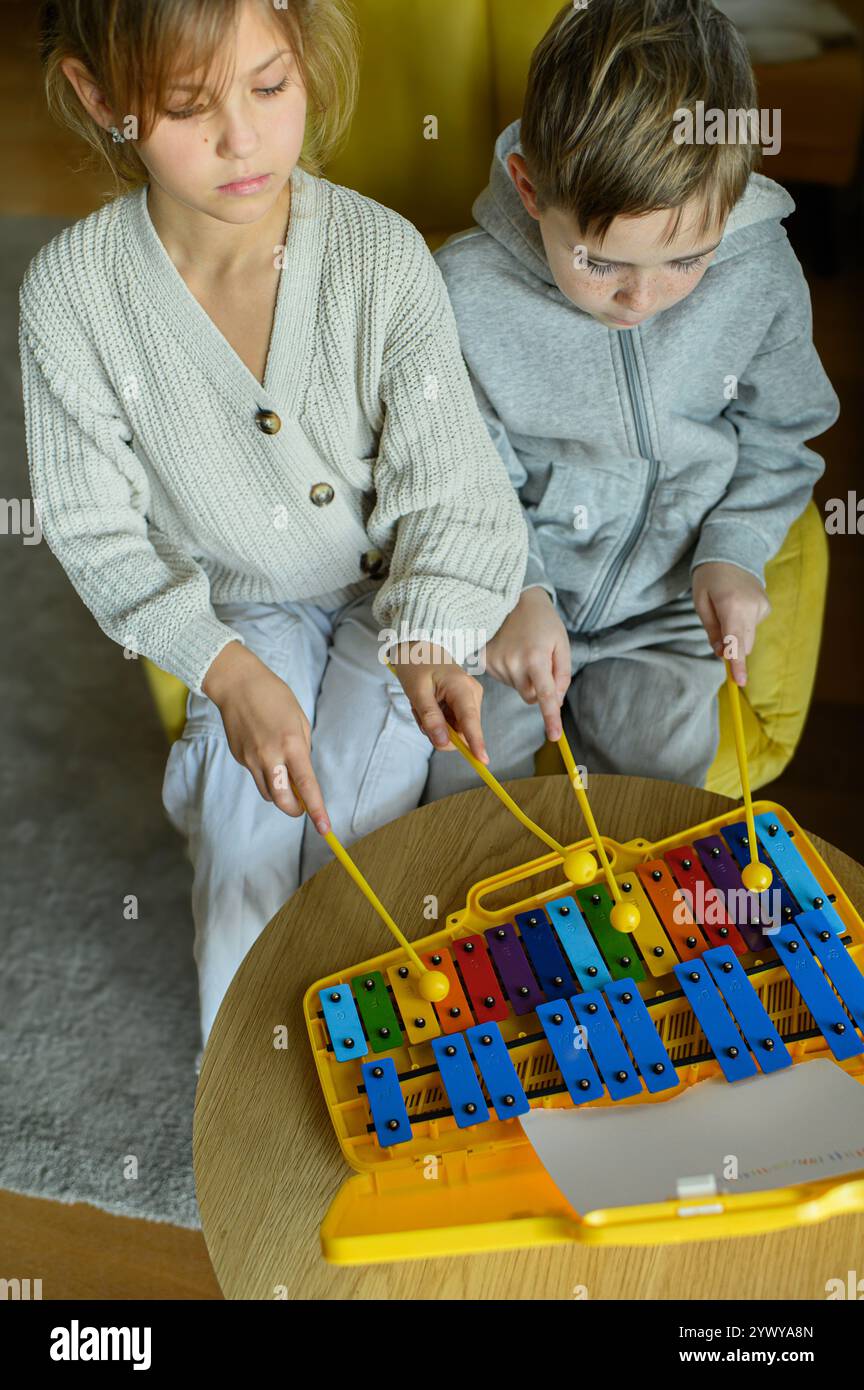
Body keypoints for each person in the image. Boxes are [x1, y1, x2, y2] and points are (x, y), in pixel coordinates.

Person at [23, 0, 528, 1061]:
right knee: (247, 836)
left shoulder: (382, 259)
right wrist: (227, 671)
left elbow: (450, 487)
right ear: (99, 98)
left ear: (309, 62)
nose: (242, 141)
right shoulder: (71, 299)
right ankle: (249, 1094)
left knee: (358, 819)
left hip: (393, 598)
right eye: (187, 107)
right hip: (236, 604)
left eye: (270, 86)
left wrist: (430, 637)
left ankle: (388, 1077)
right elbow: (96, 530)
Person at [422, 0, 839, 807]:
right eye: (603, 261)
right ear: (529, 186)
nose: (641, 297)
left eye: (688, 260)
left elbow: (783, 433)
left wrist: (733, 549)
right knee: (463, 801)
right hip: (495, 591)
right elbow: (456, 463)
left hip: (664, 608)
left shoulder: (761, 272)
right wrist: (517, 590)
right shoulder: (463, 288)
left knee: (659, 812)